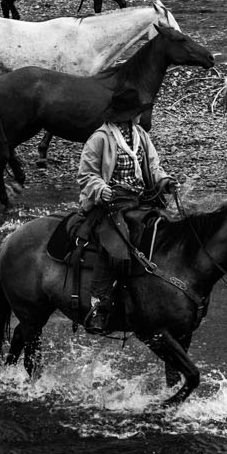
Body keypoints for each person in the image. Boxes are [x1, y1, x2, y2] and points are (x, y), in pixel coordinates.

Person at [74, 87, 177, 333]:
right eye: (137, 112)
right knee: (116, 247)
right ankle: (98, 306)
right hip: (111, 203)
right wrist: (100, 189)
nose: (140, 116)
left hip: (141, 200)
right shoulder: (99, 138)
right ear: (127, 114)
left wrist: (165, 180)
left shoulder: (140, 134)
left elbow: (153, 166)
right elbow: (85, 174)